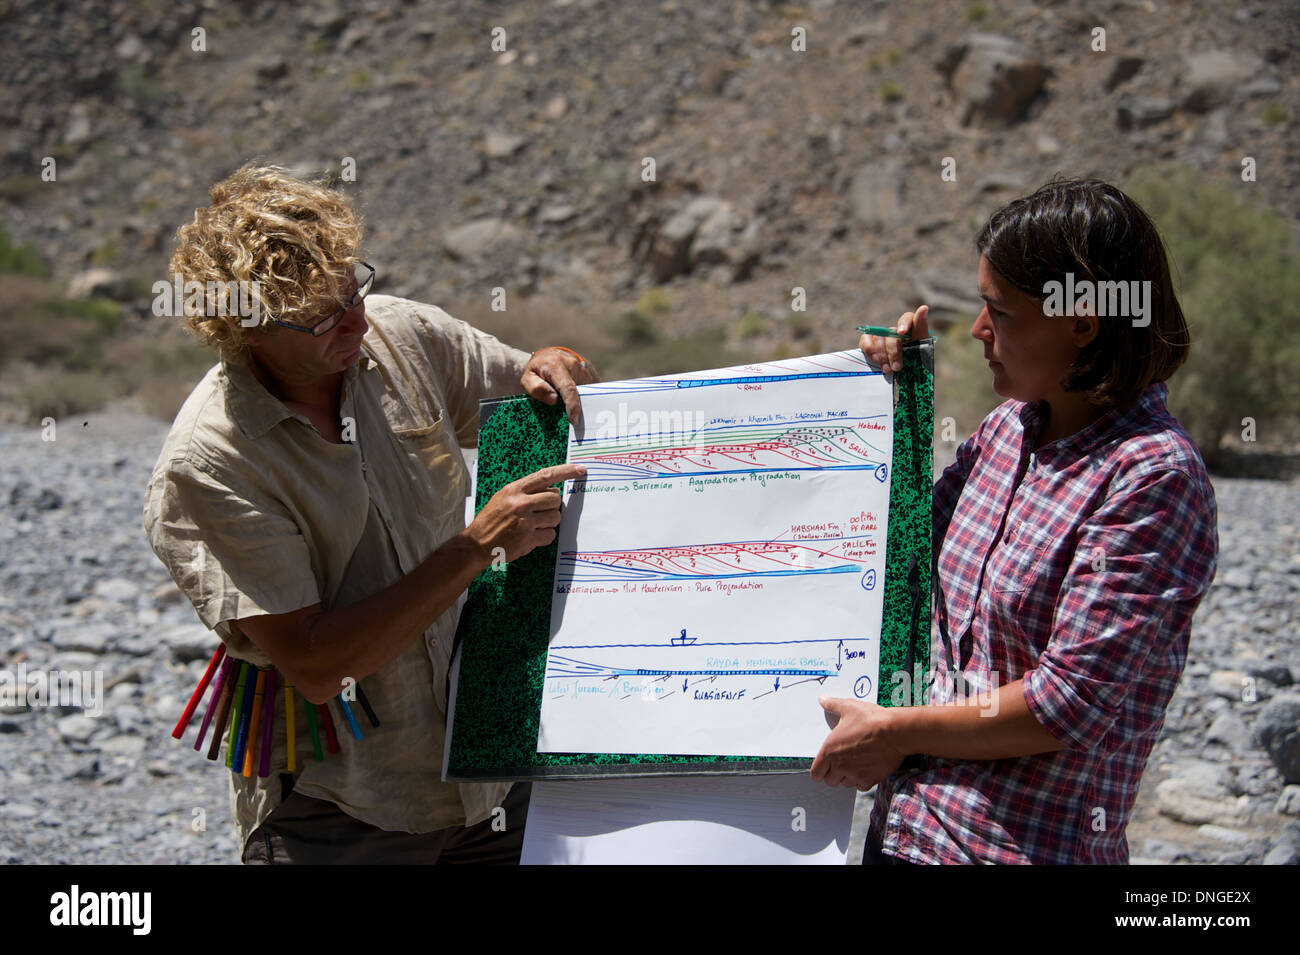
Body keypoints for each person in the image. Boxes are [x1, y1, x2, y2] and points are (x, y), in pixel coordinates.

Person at [143, 164, 594, 863]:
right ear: (246, 328)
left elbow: (526, 389)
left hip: (488, 773)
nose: (354, 319)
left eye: (354, 289)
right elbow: (319, 666)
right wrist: (475, 549)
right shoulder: (212, 461)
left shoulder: (399, 335)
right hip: (346, 809)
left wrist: (551, 365)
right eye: (321, 316)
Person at [811, 178, 1219, 864]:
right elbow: (895, 550)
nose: (975, 330)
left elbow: (1065, 703)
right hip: (907, 837)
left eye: (999, 311)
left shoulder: (1152, 477)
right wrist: (889, 403)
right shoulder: (1007, 431)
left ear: (1083, 325)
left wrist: (896, 732)